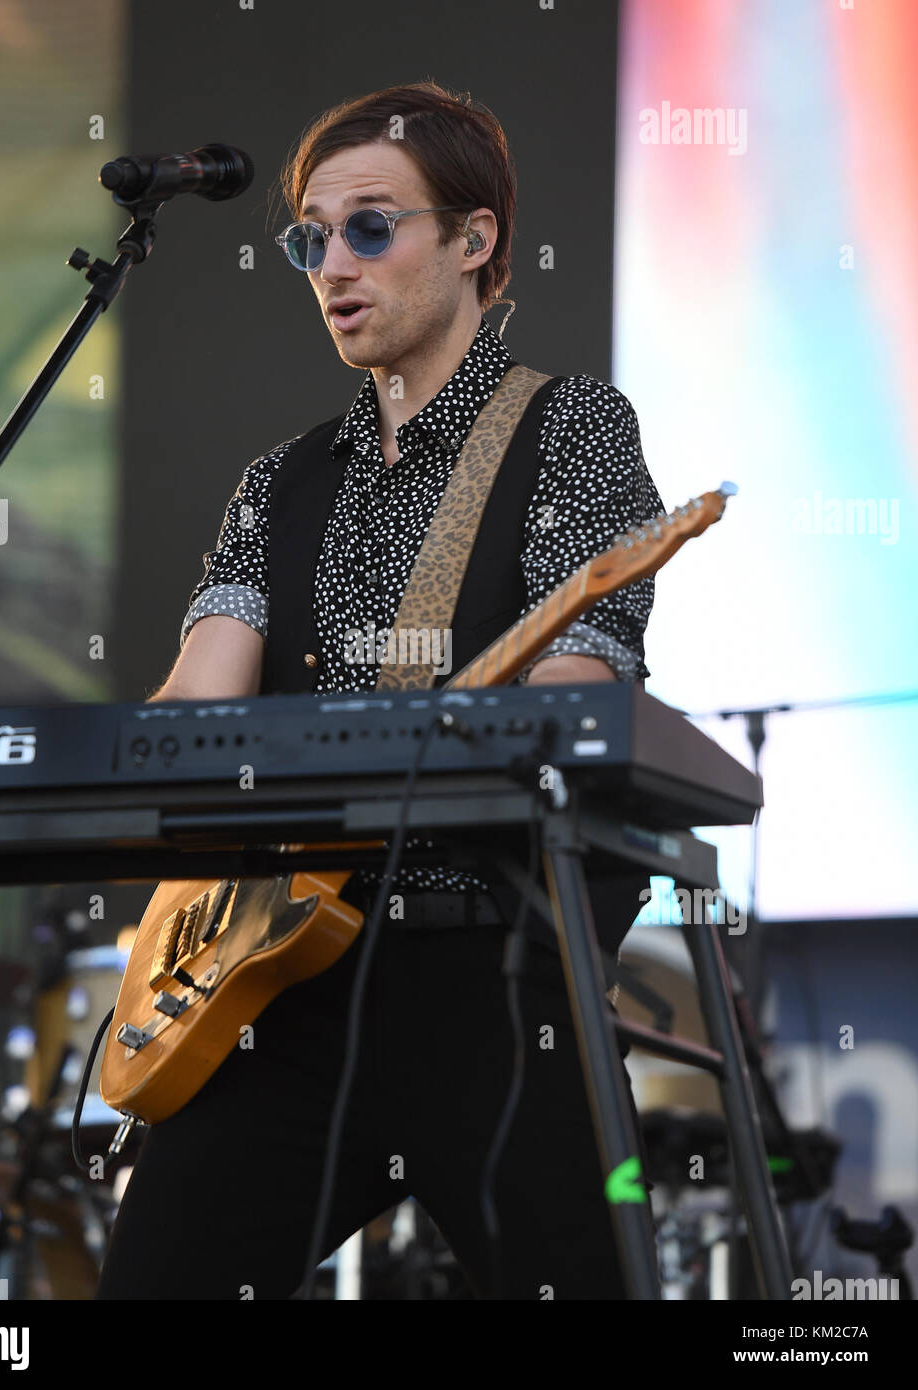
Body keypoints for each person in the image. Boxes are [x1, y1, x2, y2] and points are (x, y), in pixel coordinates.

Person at [96, 80, 663, 1300]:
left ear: (473, 240)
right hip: (282, 983)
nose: (332, 266)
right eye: (310, 238)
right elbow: (191, 713)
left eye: (369, 227)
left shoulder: (569, 428)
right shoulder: (279, 482)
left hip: (491, 975)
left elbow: (574, 688)